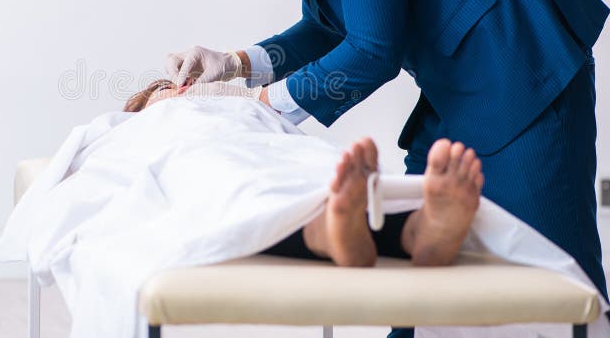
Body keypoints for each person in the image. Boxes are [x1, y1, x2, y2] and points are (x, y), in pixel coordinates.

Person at [158, 0, 609, 328]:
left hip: (523, 69)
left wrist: (259, 108)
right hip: (457, 86)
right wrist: (236, 63)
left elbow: (372, 51)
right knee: (416, 278)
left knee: (561, 286)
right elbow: (329, 26)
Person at [123, 80, 484, 267]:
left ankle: (420, 230)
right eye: (165, 91)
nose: (180, 90)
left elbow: (276, 123)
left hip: (271, 143)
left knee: (317, 170)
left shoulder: (240, 106)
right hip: (205, 153)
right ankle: (336, 230)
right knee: (239, 182)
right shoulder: (146, 131)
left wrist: (242, 95)